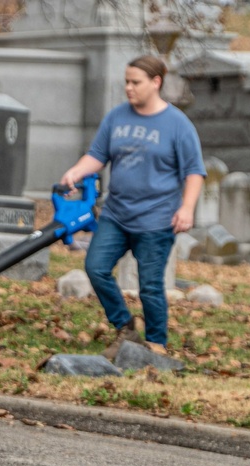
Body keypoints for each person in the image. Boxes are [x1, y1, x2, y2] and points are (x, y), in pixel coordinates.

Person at [60, 55, 205, 357]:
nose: (128, 88)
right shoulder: (116, 117)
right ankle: (124, 325)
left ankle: (156, 344)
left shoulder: (178, 124)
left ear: (156, 82)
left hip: (157, 220)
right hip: (116, 214)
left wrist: (187, 208)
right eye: (126, 81)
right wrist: (76, 171)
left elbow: (194, 171)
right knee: (95, 267)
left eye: (135, 82)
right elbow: (98, 155)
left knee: (151, 286)